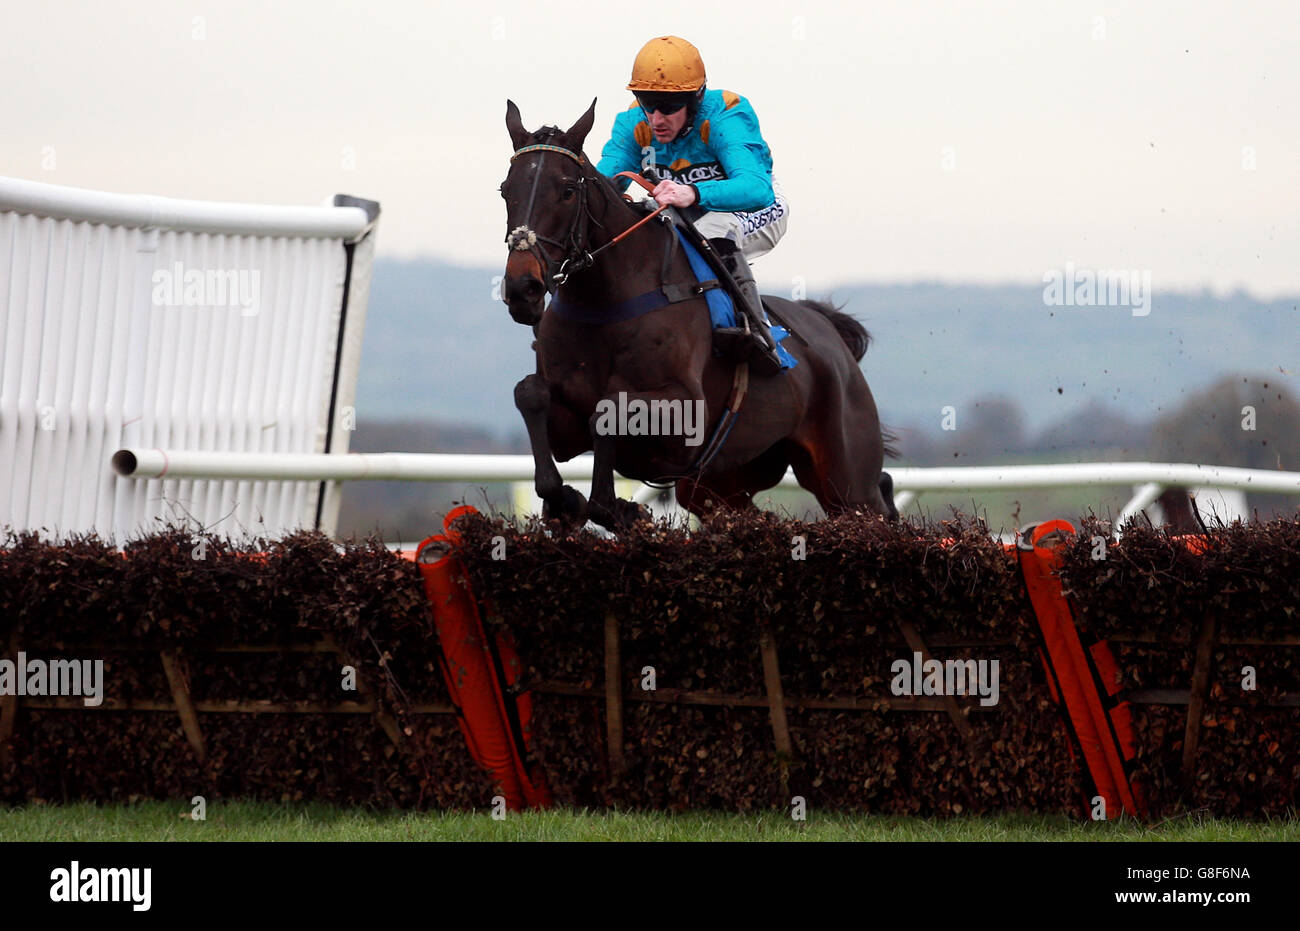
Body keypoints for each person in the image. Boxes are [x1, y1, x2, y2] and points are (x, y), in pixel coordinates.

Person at [596, 36, 789, 375]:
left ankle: (756, 332)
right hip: (685, 212)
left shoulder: (726, 114)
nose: (656, 118)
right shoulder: (632, 124)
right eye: (647, 102)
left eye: (668, 107)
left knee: (713, 227)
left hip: (754, 209)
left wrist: (695, 193)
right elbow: (603, 189)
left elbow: (756, 188)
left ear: (695, 100)